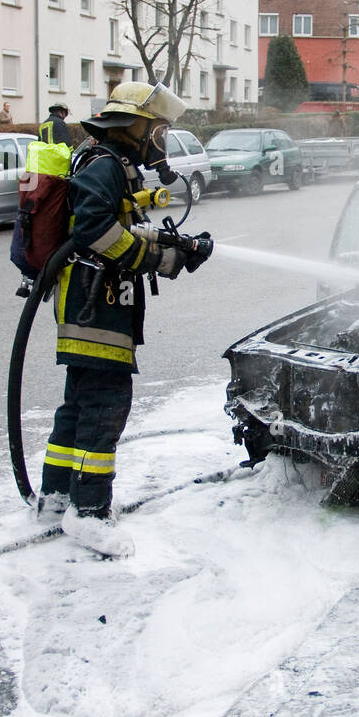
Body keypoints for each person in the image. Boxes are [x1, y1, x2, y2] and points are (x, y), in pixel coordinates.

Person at [37, 81, 209, 557]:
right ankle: (89, 512)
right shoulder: (106, 165)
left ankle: (55, 497)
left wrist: (178, 247)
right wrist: (160, 261)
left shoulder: (105, 160)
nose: (162, 137)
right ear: (136, 126)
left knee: (80, 400)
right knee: (106, 403)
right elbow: (95, 231)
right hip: (98, 303)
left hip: (91, 299)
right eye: (159, 128)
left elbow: (123, 226)